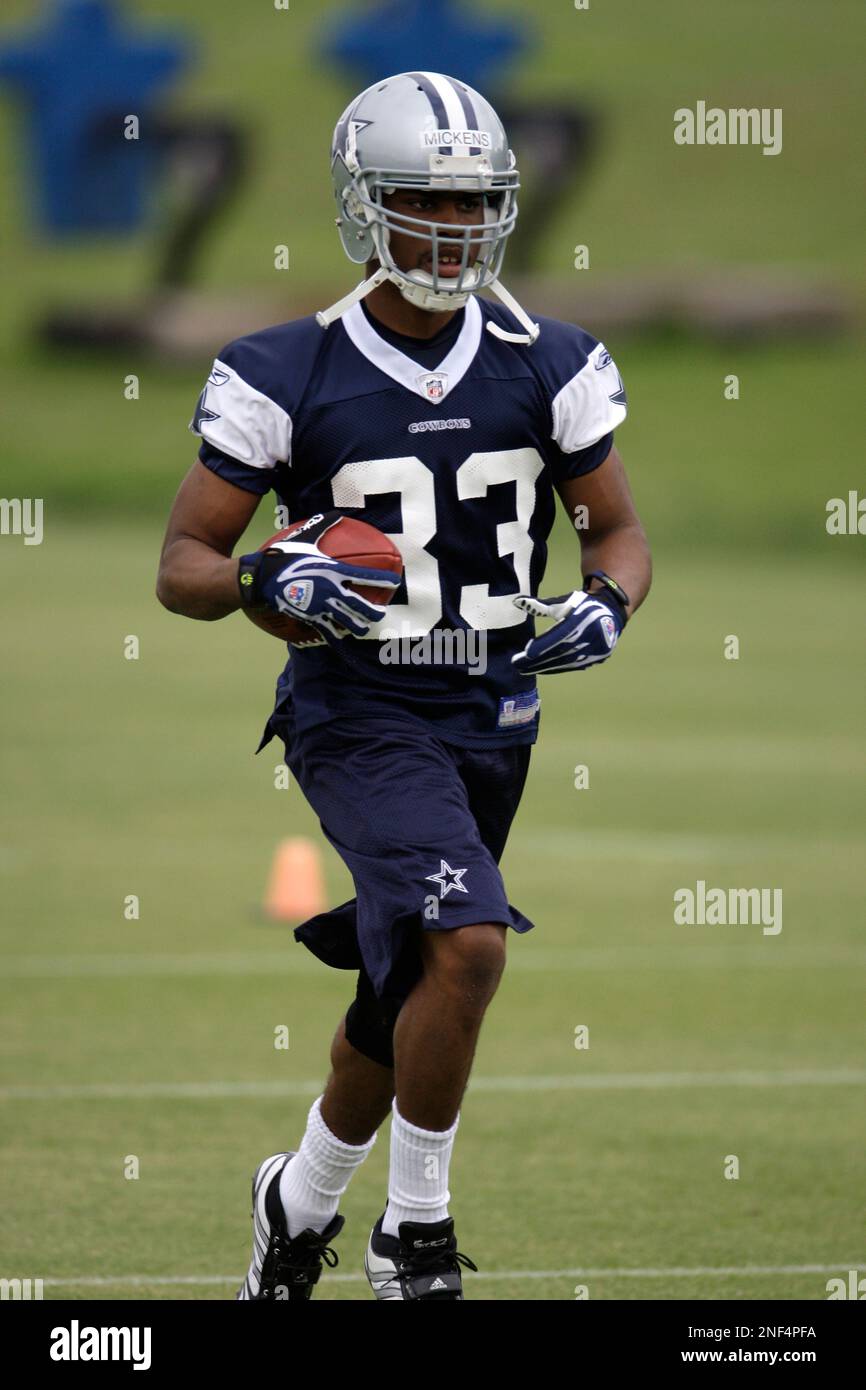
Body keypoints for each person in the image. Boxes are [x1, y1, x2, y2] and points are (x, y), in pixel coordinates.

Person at [156, 70, 651, 1302]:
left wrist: (604, 600)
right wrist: (266, 573)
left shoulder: (548, 360)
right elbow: (184, 566)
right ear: (363, 204)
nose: (454, 226)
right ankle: (412, 1231)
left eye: (474, 202)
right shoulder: (286, 369)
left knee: (410, 982)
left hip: (497, 711)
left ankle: (297, 1200)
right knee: (468, 943)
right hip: (357, 710)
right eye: (425, 200)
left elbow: (615, 531)